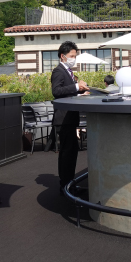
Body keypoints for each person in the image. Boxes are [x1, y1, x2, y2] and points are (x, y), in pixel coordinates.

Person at [51, 41, 89, 193]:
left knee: (72, 152)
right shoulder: (59, 71)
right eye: (72, 56)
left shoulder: (68, 72)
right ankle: (65, 185)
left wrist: (80, 92)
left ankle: (69, 183)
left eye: (75, 56)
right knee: (67, 153)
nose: (74, 58)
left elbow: (67, 93)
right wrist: (76, 86)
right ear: (63, 56)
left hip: (70, 118)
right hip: (64, 118)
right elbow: (57, 91)